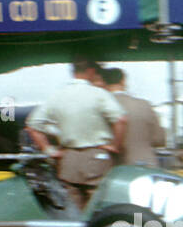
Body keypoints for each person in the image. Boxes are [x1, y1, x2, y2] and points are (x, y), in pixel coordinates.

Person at [26, 58, 126, 210]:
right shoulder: (99, 94)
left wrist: (48, 150)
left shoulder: (57, 95)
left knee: (72, 209)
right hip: (97, 158)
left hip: (68, 160)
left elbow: (32, 125)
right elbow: (121, 119)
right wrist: (115, 145)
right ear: (91, 72)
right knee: (98, 207)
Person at [100, 67, 164, 167]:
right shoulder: (144, 105)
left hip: (114, 168)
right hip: (146, 165)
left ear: (103, 83)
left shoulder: (101, 108)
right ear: (123, 81)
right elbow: (160, 139)